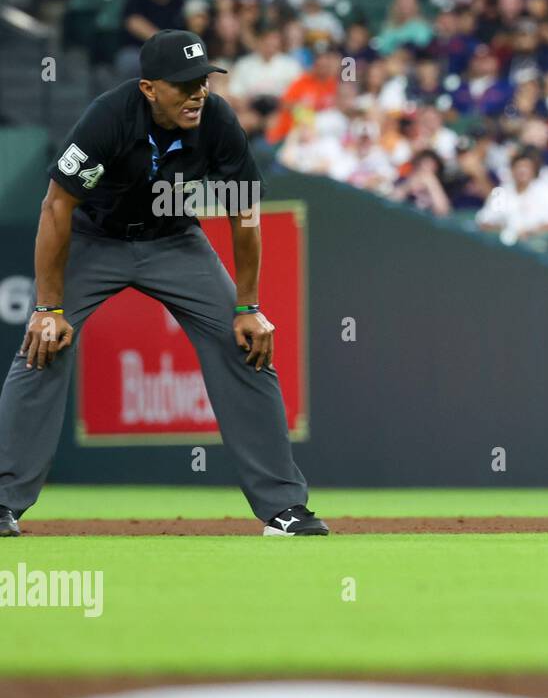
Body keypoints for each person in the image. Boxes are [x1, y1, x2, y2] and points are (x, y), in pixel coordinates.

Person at [0, 31, 326, 538]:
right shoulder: (108, 117)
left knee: (245, 347)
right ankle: (3, 502)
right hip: (95, 240)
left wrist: (248, 307)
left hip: (175, 241)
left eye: (203, 81)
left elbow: (244, 214)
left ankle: (284, 508)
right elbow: (57, 206)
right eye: (184, 85)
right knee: (43, 345)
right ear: (150, 89)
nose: (198, 92)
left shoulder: (216, 119)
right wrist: (48, 307)